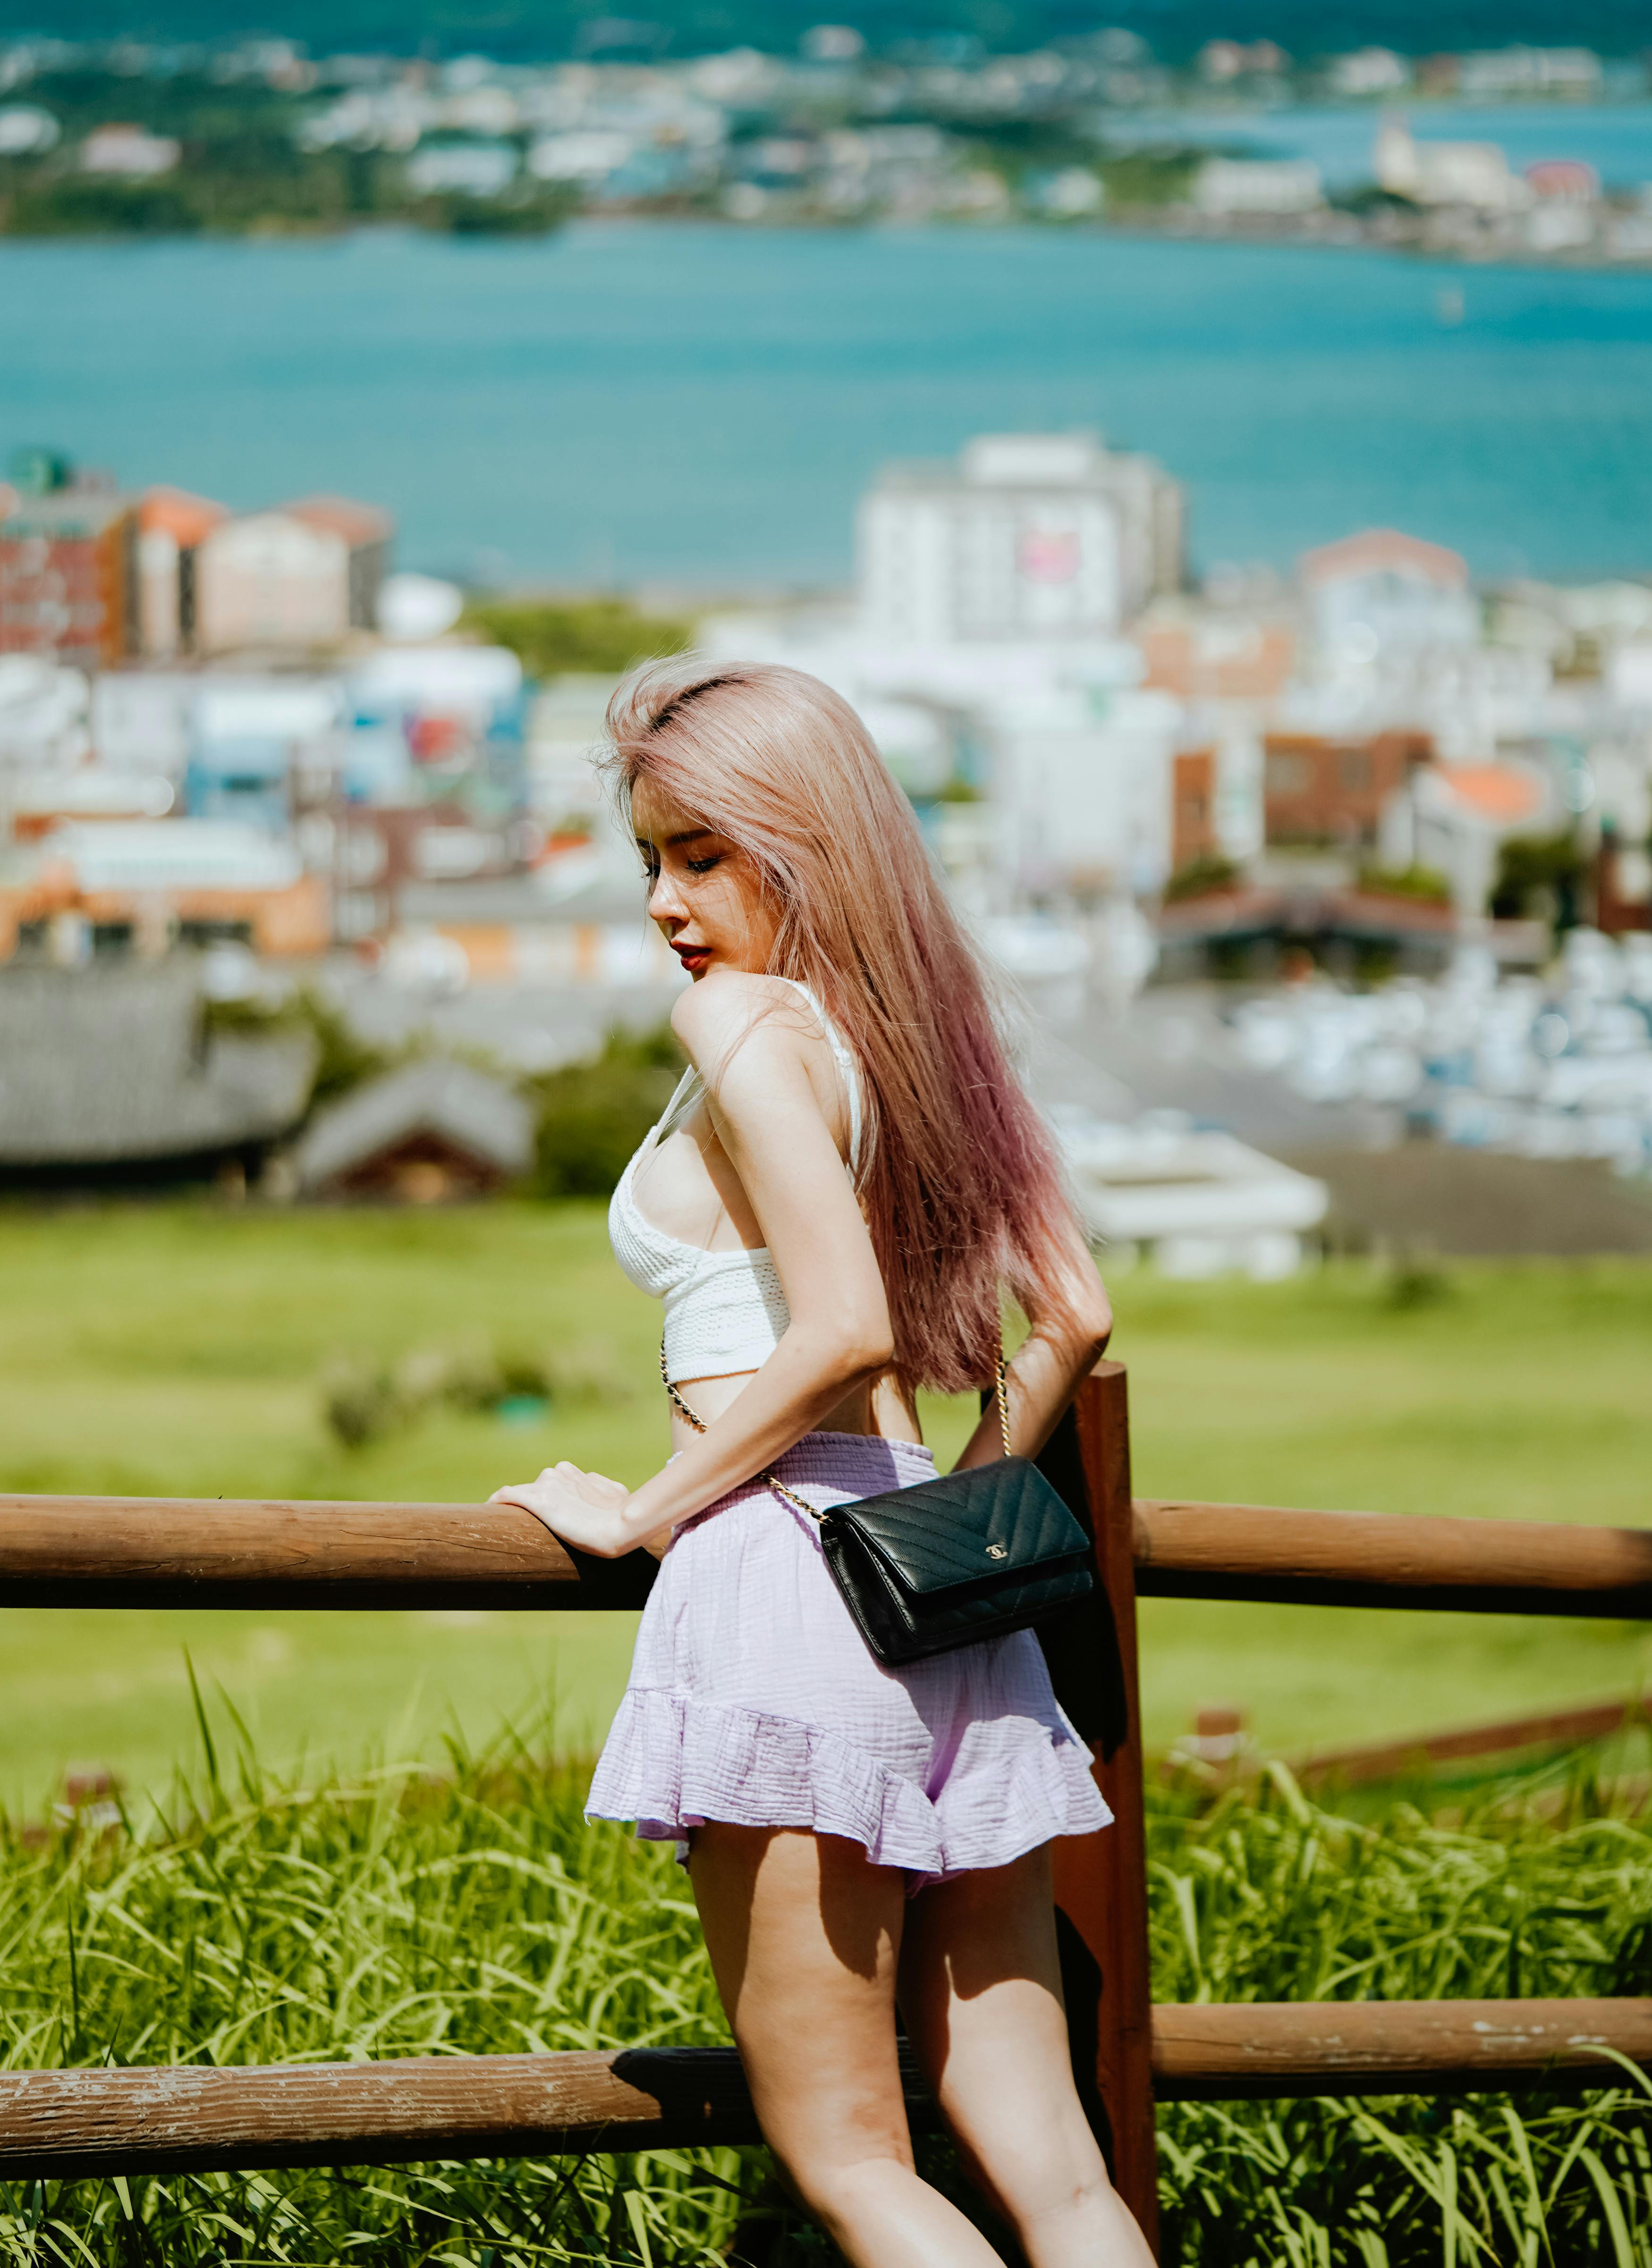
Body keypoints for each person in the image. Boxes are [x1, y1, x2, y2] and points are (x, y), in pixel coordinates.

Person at [492, 660, 1153, 2268]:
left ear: (801, 845)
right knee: (1054, 2169)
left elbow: (843, 1322)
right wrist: (959, 1528)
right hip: (936, 1606)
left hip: (786, 1583)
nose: (666, 903)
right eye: (650, 858)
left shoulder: (735, 1020)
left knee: (852, 2159)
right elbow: (1070, 1314)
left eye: (703, 856)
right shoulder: (914, 1042)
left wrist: (641, 1510)